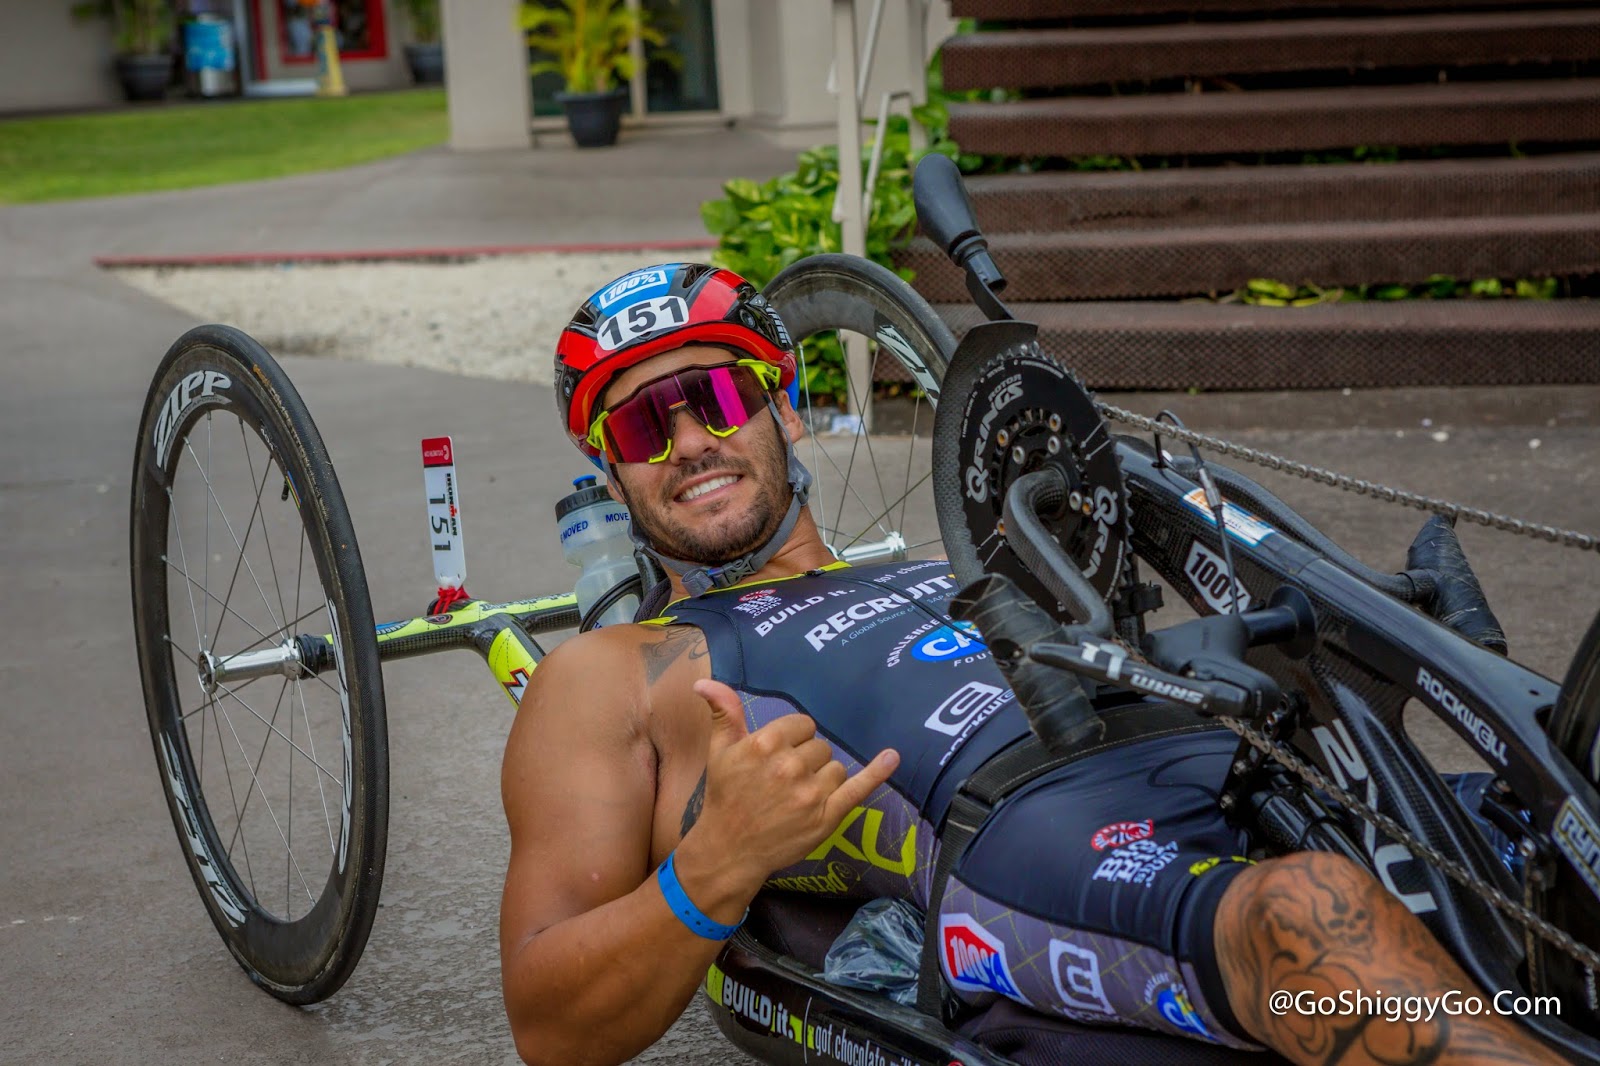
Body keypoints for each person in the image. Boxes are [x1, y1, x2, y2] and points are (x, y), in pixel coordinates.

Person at [498, 263, 1558, 1066]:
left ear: (784, 411)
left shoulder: (945, 563)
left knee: (1557, 824)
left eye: (722, 399)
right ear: (612, 473)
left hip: (1226, 747)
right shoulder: (613, 672)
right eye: (643, 423)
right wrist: (715, 862)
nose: (689, 442)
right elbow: (548, 1016)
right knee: (1308, 919)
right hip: (1023, 832)